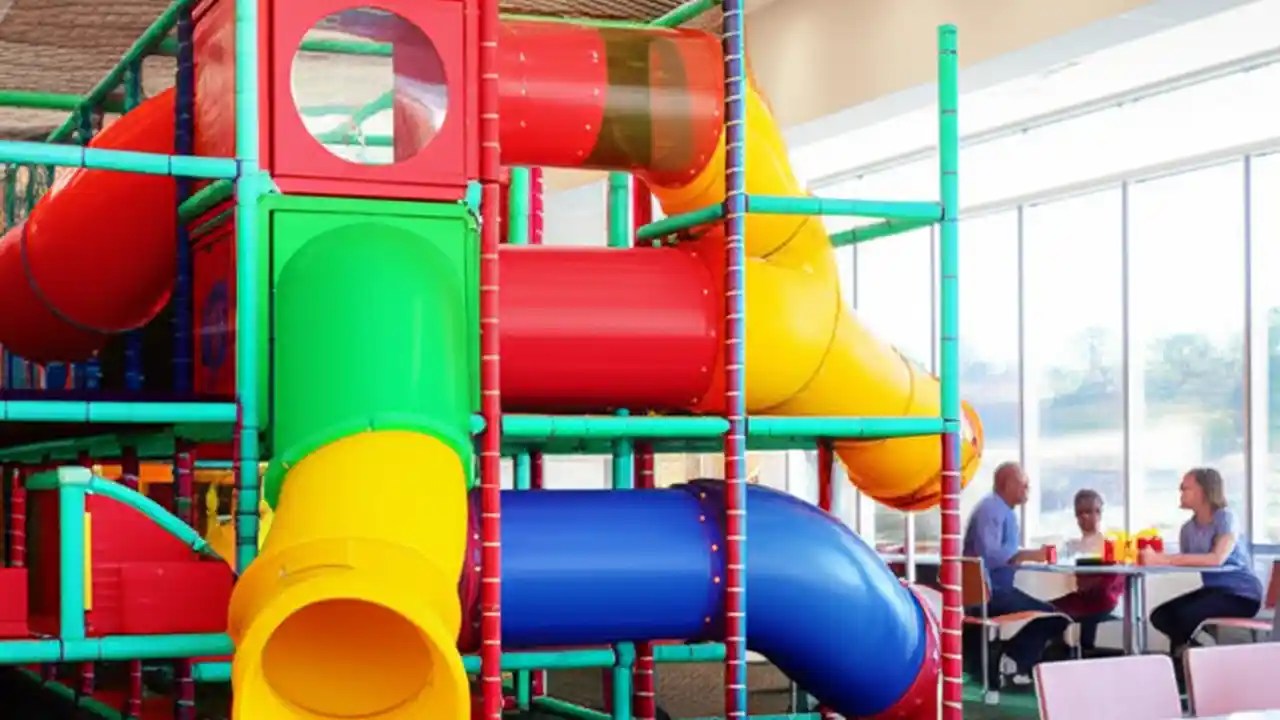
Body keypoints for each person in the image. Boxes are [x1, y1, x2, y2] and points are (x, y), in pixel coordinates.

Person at [962, 461, 1069, 683]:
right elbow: (988, 556)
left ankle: (1009, 661)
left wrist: (1026, 555)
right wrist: (1026, 555)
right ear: (1008, 484)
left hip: (992, 591)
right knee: (1054, 616)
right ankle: (1014, 659)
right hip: (992, 593)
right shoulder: (992, 510)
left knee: (1051, 613)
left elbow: (997, 552)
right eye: (1024, 485)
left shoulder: (1000, 510)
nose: (1027, 490)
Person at [1141, 467, 1264, 656]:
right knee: (1161, 616)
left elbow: (1217, 558)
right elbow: (1186, 562)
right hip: (1213, 591)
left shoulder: (1225, 518)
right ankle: (1193, 656)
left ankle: (1183, 662)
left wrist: (1164, 558)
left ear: (1204, 490)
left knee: (1183, 617)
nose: (1180, 492)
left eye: (1185, 488)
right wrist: (1154, 559)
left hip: (1241, 595)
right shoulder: (1187, 529)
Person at [1051, 489, 1124, 652]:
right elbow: (1057, 562)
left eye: (1089, 512)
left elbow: (1118, 578)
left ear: (1099, 513)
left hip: (1106, 600)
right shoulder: (1072, 545)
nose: (1084, 517)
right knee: (1047, 610)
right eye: (1080, 513)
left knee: (1067, 612)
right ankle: (1058, 653)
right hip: (1082, 596)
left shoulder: (1110, 543)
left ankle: (1083, 652)